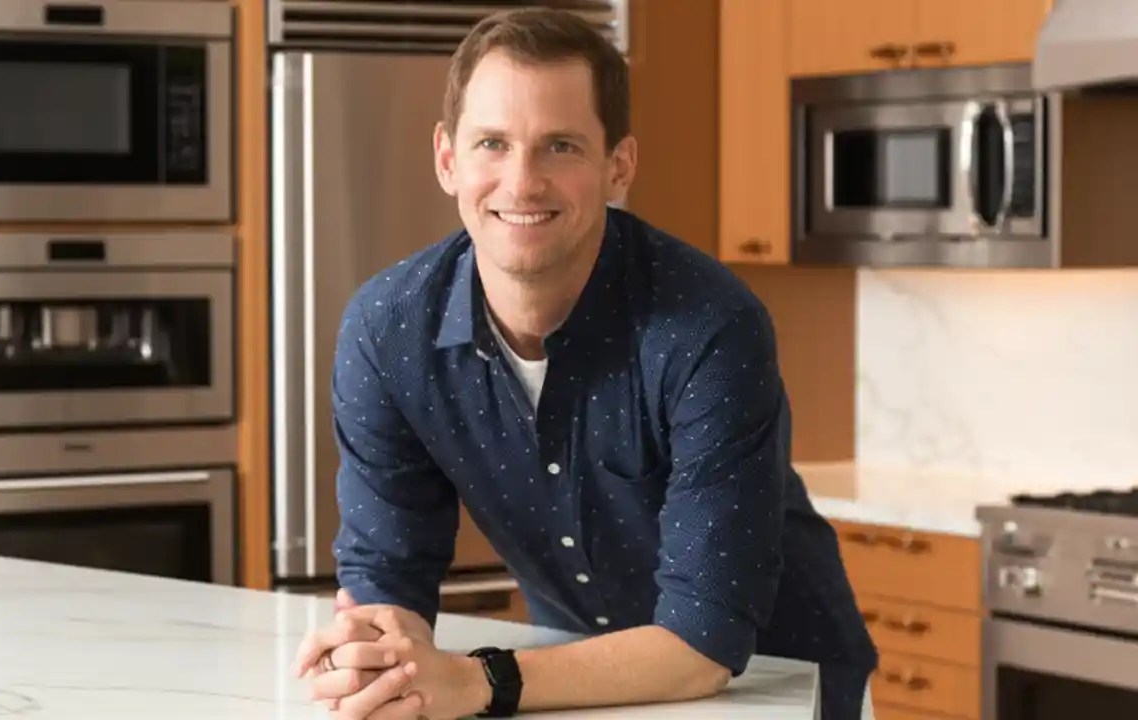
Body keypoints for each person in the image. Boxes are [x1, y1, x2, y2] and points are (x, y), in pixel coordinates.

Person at [292, 8, 878, 720]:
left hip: (775, 689)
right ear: (448, 159)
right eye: (492, 144)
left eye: (560, 146)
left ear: (618, 165)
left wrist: (476, 681)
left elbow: (704, 643)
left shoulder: (710, 328)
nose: (521, 181)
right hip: (577, 690)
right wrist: (377, 655)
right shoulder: (386, 330)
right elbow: (387, 574)